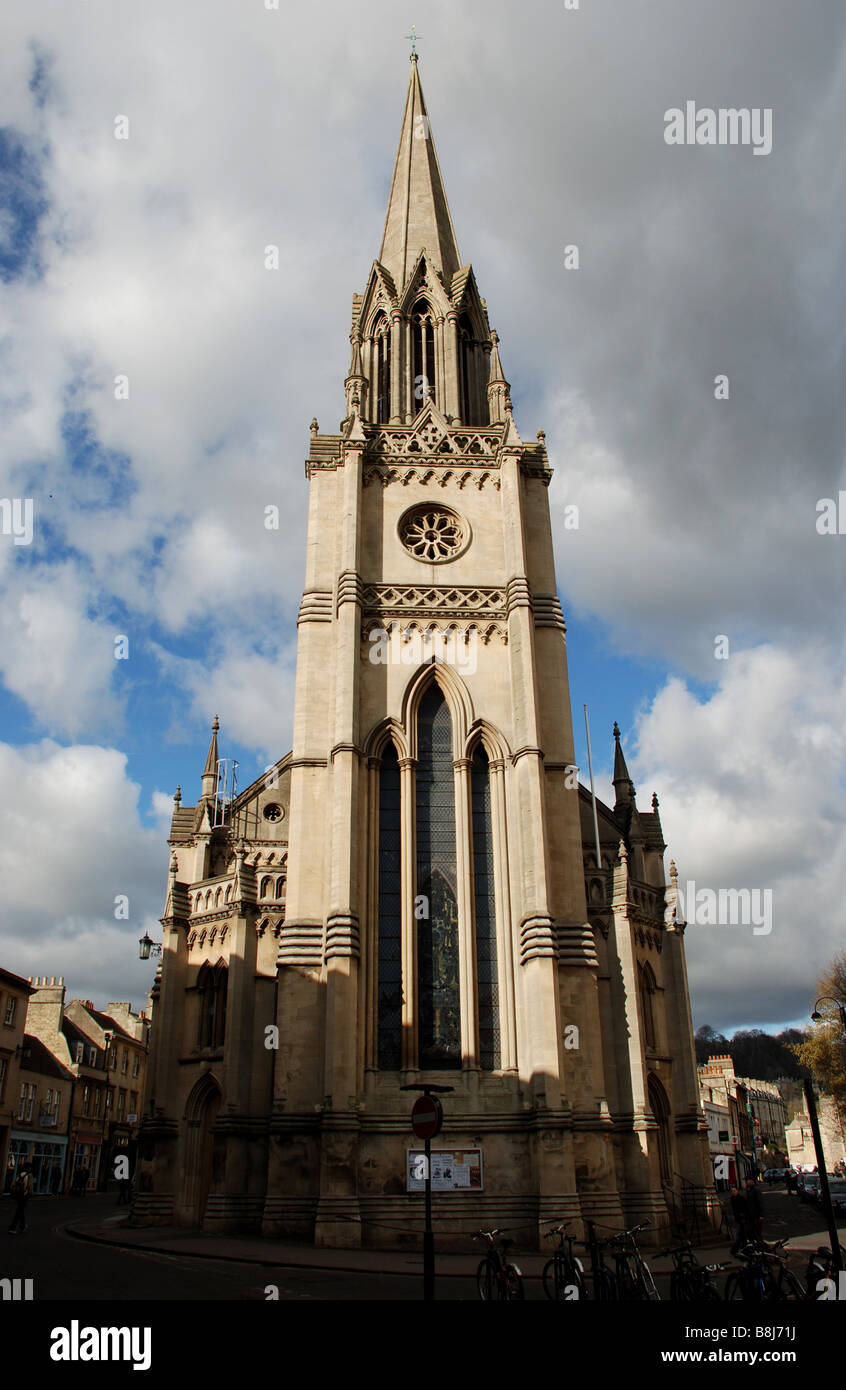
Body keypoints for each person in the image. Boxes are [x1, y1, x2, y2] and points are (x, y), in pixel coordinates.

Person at [8, 1164, 33, 1234]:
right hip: (24, 1196)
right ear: (28, 1168)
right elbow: (30, 1188)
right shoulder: (29, 1175)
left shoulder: (21, 1174)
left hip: (18, 1195)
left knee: (20, 1211)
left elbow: (13, 1184)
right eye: (30, 1168)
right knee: (19, 1212)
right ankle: (12, 1228)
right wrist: (29, 1195)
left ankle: (23, 1225)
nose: (30, 1169)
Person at [729, 1184, 750, 1255]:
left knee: (739, 1234)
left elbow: (745, 1208)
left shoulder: (741, 1199)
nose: (733, 1192)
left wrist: (743, 1217)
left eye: (734, 1191)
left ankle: (735, 1249)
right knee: (742, 1235)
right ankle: (744, 1248)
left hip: (742, 1219)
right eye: (732, 1191)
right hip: (738, 1219)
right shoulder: (733, 1199)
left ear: (737, 1191)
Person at [745, 1176, 763, 1242]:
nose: (746, 1183)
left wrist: (761, 1215)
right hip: (750, 1215)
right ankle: (755, 1245)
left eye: (748, 1182)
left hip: (756, 1215)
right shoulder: (749, 1190)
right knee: (751, 1231)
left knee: (757, 1231)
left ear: (752, 1182)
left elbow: (760, 1202)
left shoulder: (756, 1190)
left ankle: (760, 1246)